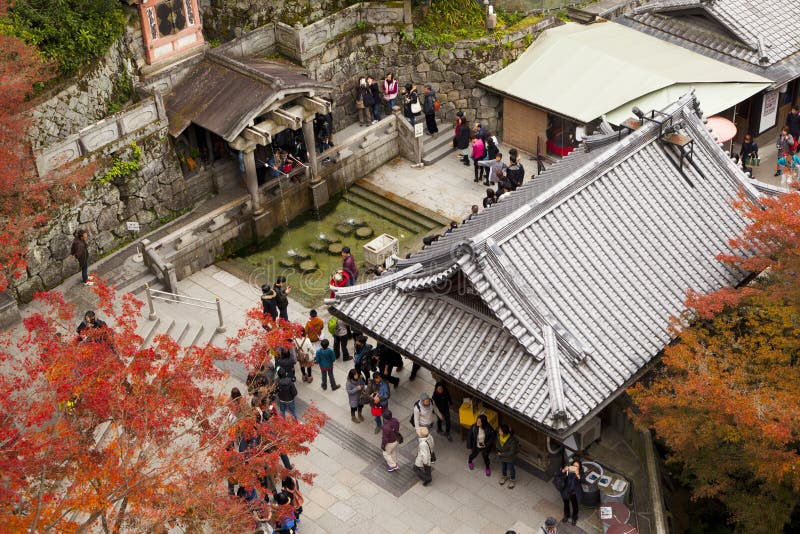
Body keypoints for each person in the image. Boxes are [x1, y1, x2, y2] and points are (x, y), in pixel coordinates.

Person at [496, 424, 519, 489]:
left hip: (509, 458)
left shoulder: (512, 440)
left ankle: (512, 480)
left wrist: (501, 454)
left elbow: (512, 452)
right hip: (502, 456)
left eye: (500, 431)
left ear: (505, 433)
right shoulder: (498, 436)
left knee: (511, 468)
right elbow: (497, 443)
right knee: (503, 467)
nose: (499, 431)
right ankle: (504, 476)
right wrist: (498, 450)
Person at [560, 459, 583, 525]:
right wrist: (563, 470)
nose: (575, 467)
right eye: (574, 465)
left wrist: (578, 474)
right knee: (566, 504)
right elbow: (559, 475)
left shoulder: (580, 472)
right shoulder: (567, 470)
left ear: (579, 468)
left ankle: (574, 518)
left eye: (577, 466)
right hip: (565, 491)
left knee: (575, 506)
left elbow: (583, 480)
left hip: (574, 493)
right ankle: (567, 516)